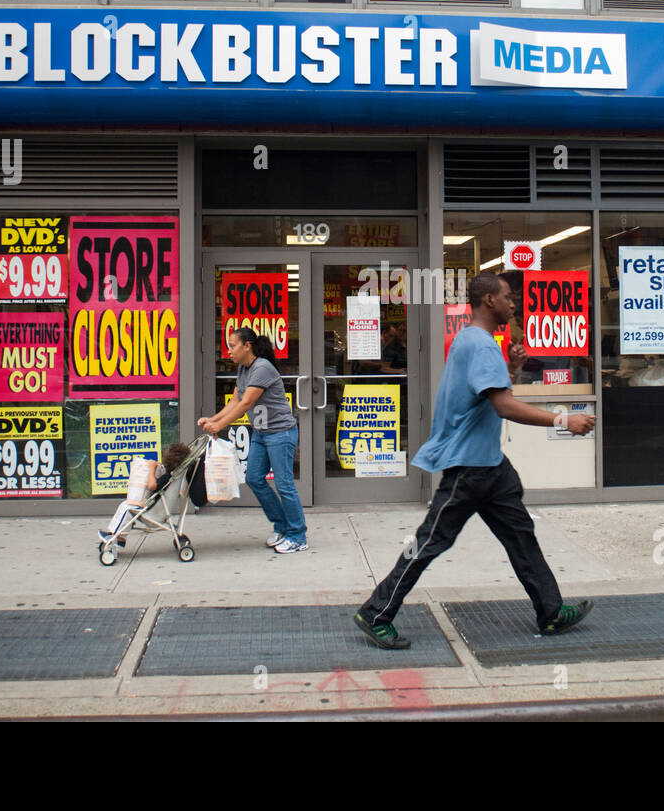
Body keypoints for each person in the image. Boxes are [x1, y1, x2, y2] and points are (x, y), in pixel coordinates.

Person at [354, 273, 596, 650]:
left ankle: (551, 612)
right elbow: (503, 406)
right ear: (488, 301)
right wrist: (564, 420)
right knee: (429, 542)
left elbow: (487, 398)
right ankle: (376, 612)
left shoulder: (473, 341)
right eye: (507, 297)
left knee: (520, 536)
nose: (512, 303)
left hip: (490, 467)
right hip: (469, 468)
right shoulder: (481, 345)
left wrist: (513, 368)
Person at [198, 327, 307, 554]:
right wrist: (213, 418)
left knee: (284, 484)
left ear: (247, 346)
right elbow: (235, 399)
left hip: (280, 433)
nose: (228, 351)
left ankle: (298, 536)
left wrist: (219, 426)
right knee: (254, 478)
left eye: (232, 346)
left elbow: (246, 403)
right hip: (261, 433)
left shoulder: (262, 368)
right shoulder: (243, 369)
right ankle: (282, 526)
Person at [98, 442, 192, 547]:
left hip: (153, 514)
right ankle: (118, 535)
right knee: (126, 506)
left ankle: (117, 537)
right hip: (158, 511)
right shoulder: (173, 475)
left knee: (127, 508)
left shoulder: (168, 477)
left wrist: (151, 468)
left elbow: (152, 485)